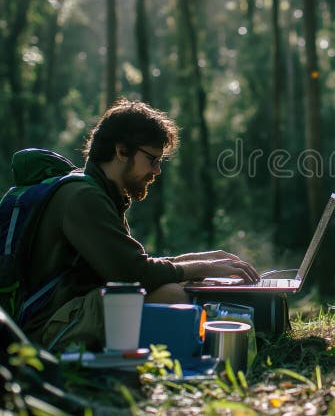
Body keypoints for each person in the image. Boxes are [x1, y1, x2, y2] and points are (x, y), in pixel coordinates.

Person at [21, 98, 259, 351]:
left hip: (70, 313)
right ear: (121, 151)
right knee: (171, 296)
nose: (156, 171)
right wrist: (201, 267)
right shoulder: (83, 197)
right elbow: (132, 274)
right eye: (152, 160)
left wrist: (202, 262)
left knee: (177, 286)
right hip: (48, 328)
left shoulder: (97, 191)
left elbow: (131, 265)